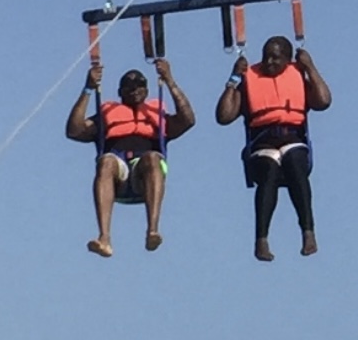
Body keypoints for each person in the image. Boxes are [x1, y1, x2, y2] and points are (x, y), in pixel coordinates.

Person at [215, 34, 332, 260]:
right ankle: (261, 240)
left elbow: (324, 101)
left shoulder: (298, 75)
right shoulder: (250, 78)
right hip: (263, 143)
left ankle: (308, 232)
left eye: (276, 58)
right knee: (268, 173)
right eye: (266, 57)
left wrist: (310, 66)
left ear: (288, 60)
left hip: (292, 139)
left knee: (295, 164)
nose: (269, 63)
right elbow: (224, 116)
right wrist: (233, 80)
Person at [65, 58, 195, 256]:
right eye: (128, 87)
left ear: (147, 89)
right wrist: (88, 89)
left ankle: (152, 230)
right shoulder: (107, 114)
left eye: (140, 86)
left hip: (144, 174)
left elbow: (187, 120)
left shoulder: (157, 116)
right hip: (118, 175)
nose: (134, 90)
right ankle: (104, 238)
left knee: (152, 158)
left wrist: (169, 80)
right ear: (120, 92)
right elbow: (74, 130)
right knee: (106, 161)